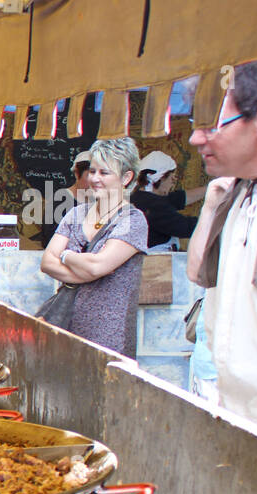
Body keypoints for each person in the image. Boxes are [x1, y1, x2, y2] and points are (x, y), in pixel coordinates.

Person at [187, 59, 257, 431]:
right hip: (239, 419)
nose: (196, 139)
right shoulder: (235, 194)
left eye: (211, 127)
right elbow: (199, 276)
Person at [39, 137, 150, 357]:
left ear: (126, 177)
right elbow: (46, 262)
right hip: (66, 329)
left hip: (109, 337)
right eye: (92, 171)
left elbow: (97, 267)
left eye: (104, 173)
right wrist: (88, 269)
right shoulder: (76, 213)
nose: (95, 178)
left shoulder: (132, 220)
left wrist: (66, 255)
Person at [130, 150, 207, 251]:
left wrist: (212, 188)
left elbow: (177, 199)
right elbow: (184, 227)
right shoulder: (153, 205)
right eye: (172, 179)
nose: (172, 185)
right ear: (161, 178)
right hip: (155, 261)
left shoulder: (138, 197)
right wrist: (217, 221)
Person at [37, 150, 92, 247]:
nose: (95, 180)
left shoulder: (100, 202)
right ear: (76, 173)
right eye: (89, 175)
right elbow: (49, 239)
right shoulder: (60, 200)